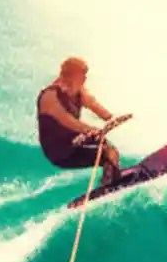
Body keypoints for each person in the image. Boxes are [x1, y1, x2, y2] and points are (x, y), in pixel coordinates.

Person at [36, 56, 126, 186]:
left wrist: (113, 118)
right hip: (58, 151)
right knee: (105, 149)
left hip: (75, 142)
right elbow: (66, 120)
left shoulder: (80, 93)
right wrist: (89, 129)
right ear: (71, 75)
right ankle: (110, 183)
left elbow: (97, 108)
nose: (85, 78)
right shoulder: (49, 96)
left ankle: (111, 181)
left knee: (110, 150)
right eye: (82, 74)